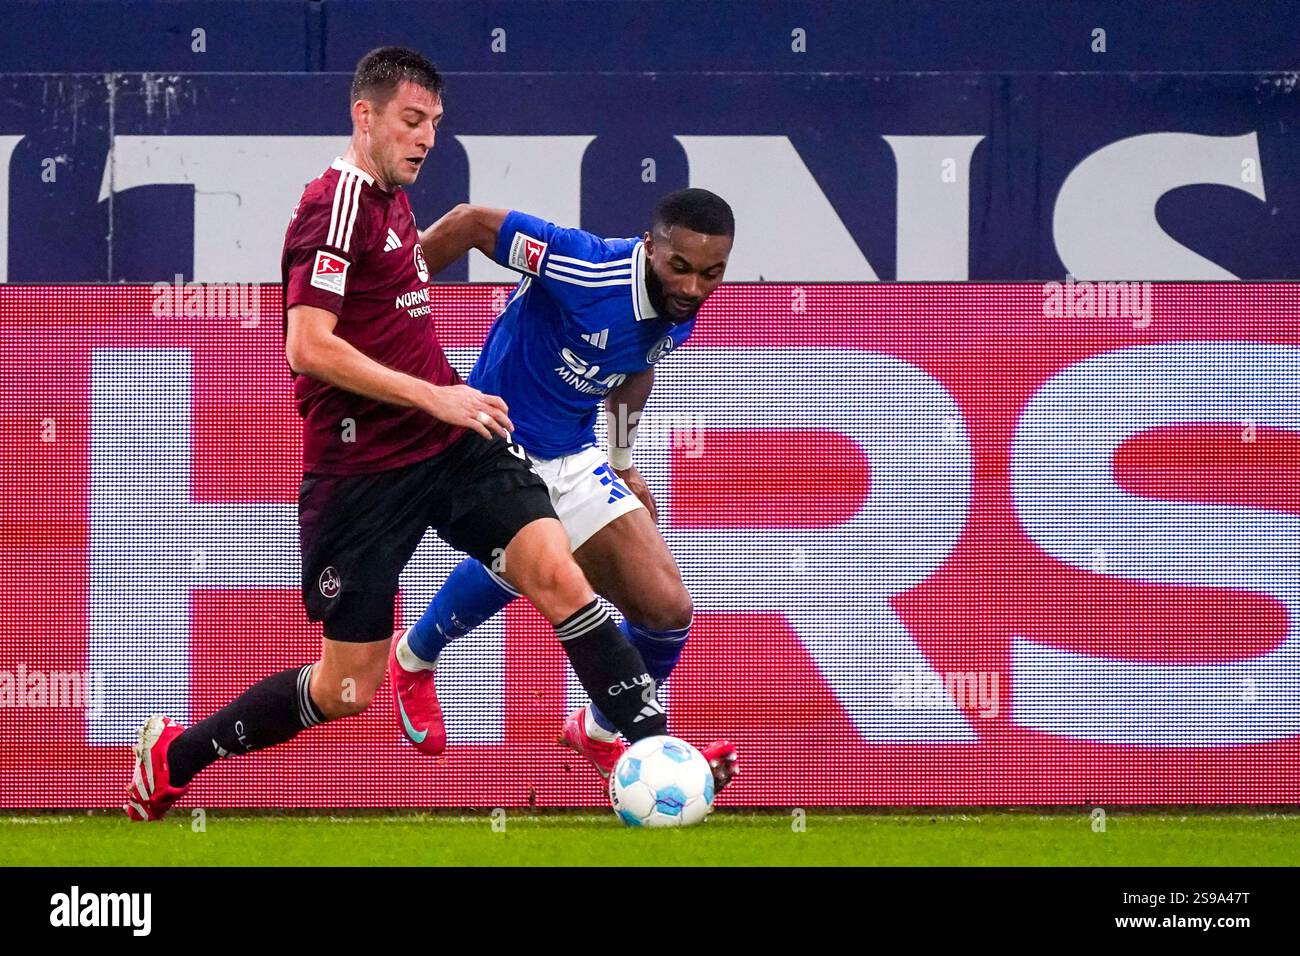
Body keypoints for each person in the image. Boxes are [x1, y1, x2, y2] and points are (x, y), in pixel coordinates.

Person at [124, 46, 671, 821]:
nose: (426, 139)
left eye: (434, 124)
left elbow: (390, 308)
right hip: (362, 473)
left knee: (558, 575)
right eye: (412, 121)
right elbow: (306, 347)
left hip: (450, 448)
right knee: (346, 689)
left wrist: (446, 402)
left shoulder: (394, 199)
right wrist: (434, 395)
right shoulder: (334, 208)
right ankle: (177, 755)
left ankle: (657, 752)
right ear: (366, 115)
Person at [388, 189, 739, 789]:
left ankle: (599, 730)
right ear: (650, 246)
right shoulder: (585, 265)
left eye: (711, 273)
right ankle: (413, 659)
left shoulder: (682, 304)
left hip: (573, 454)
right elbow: (470, 223)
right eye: (680, 267)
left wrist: (623, 462)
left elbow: (637, 366)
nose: (692, 286)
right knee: (537, 562)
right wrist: (382, 306)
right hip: (493, 441)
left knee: (667, 612)